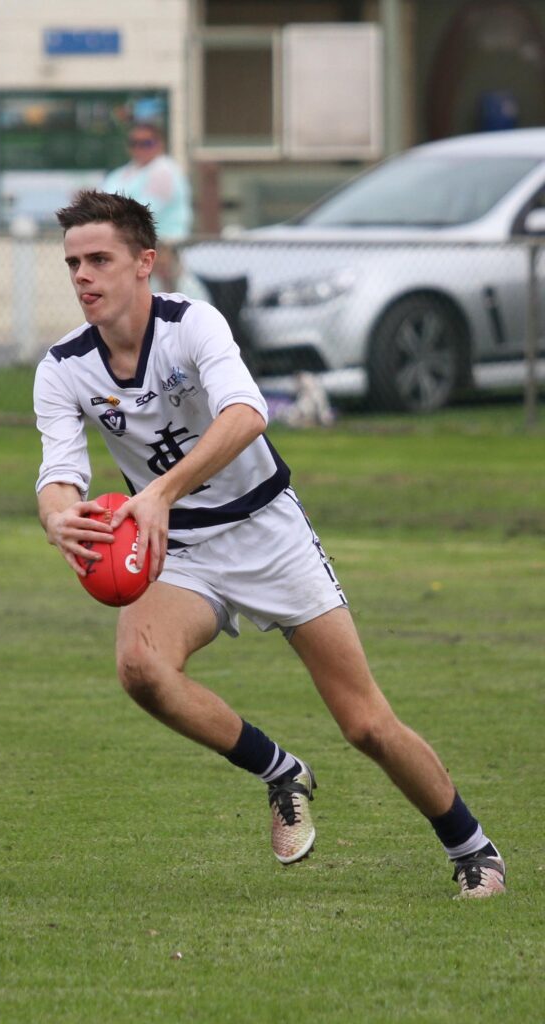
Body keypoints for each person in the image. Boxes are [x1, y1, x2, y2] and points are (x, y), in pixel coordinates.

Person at [33, 189, 506, 899]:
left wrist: (159, 491)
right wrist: (58, 518)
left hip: (267, 531)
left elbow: (248, 415)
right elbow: (59, 474)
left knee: (366, 723)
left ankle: (473, 848)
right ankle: (279, 771)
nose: (83, 276)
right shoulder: (64, 366)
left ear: (145, 264)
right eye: (73, 263)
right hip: (180, 548)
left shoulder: (194, 325)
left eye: (99, 259)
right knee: (141, 669)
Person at [103, 122, 192, 292]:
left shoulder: (164, 170)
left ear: (160, 144)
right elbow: (101, 205)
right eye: (134, 143)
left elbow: (142, 212)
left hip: (162, 247)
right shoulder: (123, 173)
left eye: (147, 143)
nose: (140, 148)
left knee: (163, 300)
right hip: (127, 244)